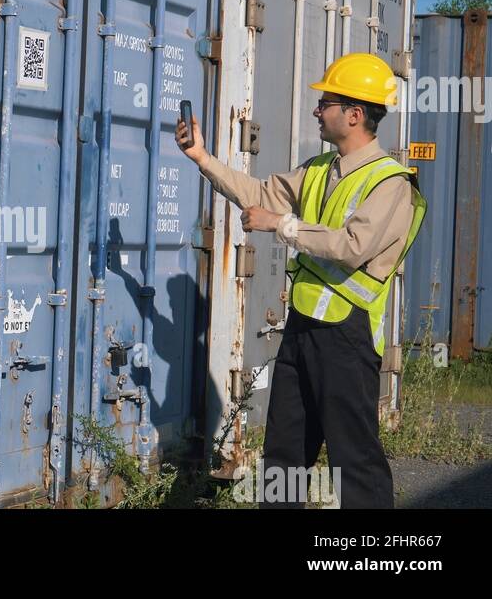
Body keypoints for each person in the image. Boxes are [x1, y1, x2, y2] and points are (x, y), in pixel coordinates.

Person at [175, 52, 426, 508]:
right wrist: (204, 159)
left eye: (325, 102)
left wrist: (283, 224)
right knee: (284, 455)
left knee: (354, 460)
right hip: (302, 330)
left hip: (347, 338)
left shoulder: (391, 183)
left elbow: (352, 245)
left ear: (354, 115)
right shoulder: (318, 170)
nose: (317, 109)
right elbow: (258, 194)